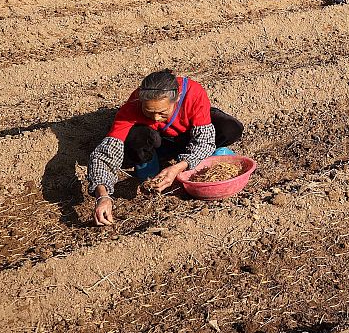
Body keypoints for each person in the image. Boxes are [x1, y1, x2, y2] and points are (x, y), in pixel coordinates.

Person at [86, 69, 243, 226]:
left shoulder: (192, 93)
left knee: (230, 128)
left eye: (162, 112)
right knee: (138, 136)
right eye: (148, 111)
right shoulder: (132, 107)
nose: (155, 118)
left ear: (177, 99)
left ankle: (198, 157)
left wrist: (177, 168)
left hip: (187, 134)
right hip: (159, 140)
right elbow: (104, 155)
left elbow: (204, 140)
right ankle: (150, 164)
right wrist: (103, 196)